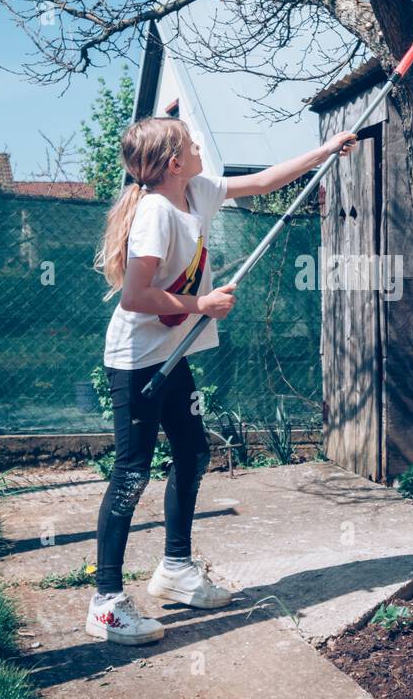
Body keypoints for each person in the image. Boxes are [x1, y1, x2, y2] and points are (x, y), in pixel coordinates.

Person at [87, 115, 358, 644]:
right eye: (189, 143)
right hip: (137, 360)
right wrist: (201, 304)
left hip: (173, 354)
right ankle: (106, 601)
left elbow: (263, 182)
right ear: (173, 163)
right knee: (131, 473)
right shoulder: (156, 214)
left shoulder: (197, 193)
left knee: (191, 453)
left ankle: (176, 569)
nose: (197, 145)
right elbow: (134, 297)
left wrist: (324, 151)